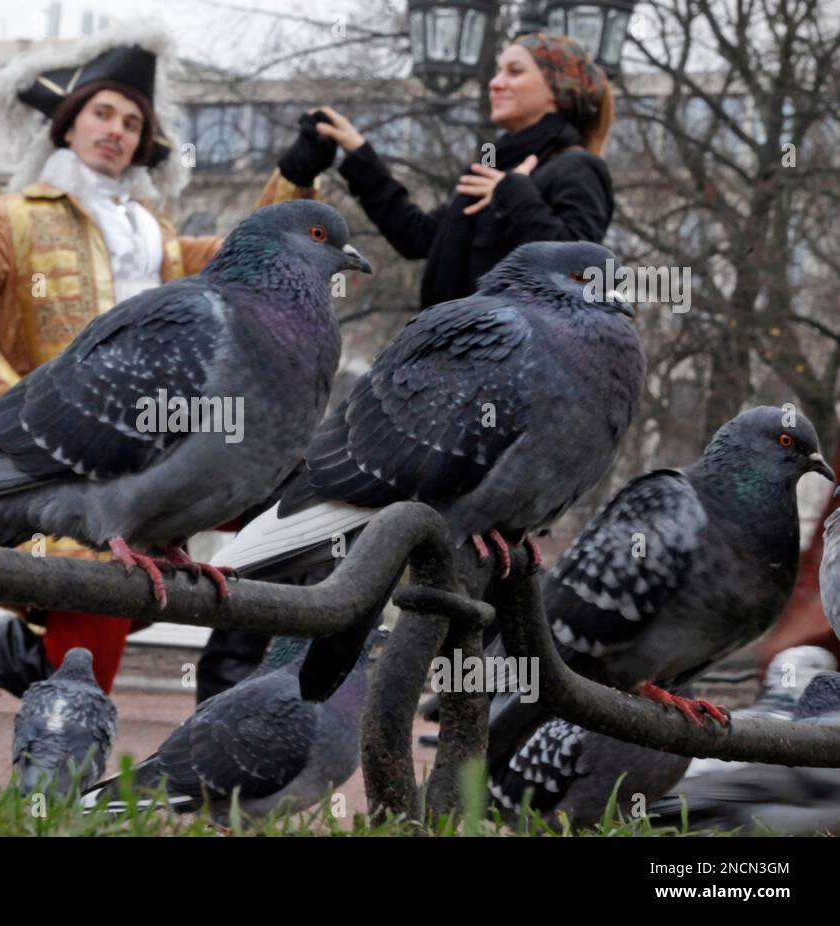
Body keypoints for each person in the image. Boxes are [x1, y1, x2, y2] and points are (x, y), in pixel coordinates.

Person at [0, 26, 317, 703]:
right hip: (67, 456)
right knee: (78, 670)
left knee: (286, 524)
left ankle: (234, 698)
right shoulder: (12, 217)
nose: (117, 131)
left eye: (132, 121)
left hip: (163, 453)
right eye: (102, 112)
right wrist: (26, 407)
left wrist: (297, 171)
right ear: (67, 123)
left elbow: (256, 262)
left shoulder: (158, 234)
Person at [196, 32, 617, 702]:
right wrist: (360, 160)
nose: (495, 81)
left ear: (558, 89)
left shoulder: (572, 169)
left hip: (491, 396)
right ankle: (251, 700)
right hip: (436, 396)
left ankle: (331, 710)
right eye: (498, 68)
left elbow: (584, 274)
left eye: (515, 71)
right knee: (343, 556)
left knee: (394, 573)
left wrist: (515, 196)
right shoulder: (498, 164)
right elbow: (421, 239)